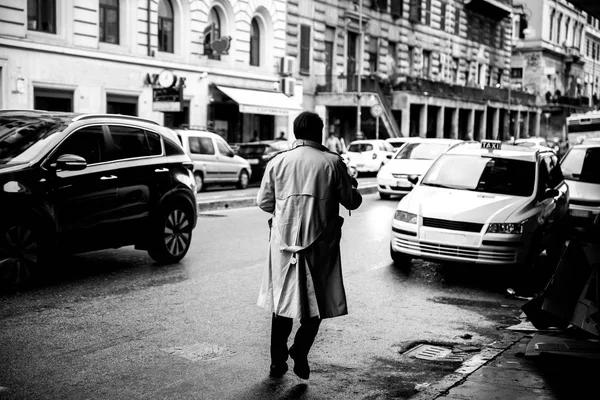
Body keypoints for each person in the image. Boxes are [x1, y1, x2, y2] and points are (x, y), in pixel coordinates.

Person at [256, 111, 362, 380]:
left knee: (282, 303)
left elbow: (264, 203)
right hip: (319, 246)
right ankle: (300, 350)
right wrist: (353, 185)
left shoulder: (277, 162)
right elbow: (352, 201)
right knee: (316, 302)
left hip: (283, 244)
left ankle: (277, 364)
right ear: (320, 132)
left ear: (295, 132)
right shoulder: (332, 163)